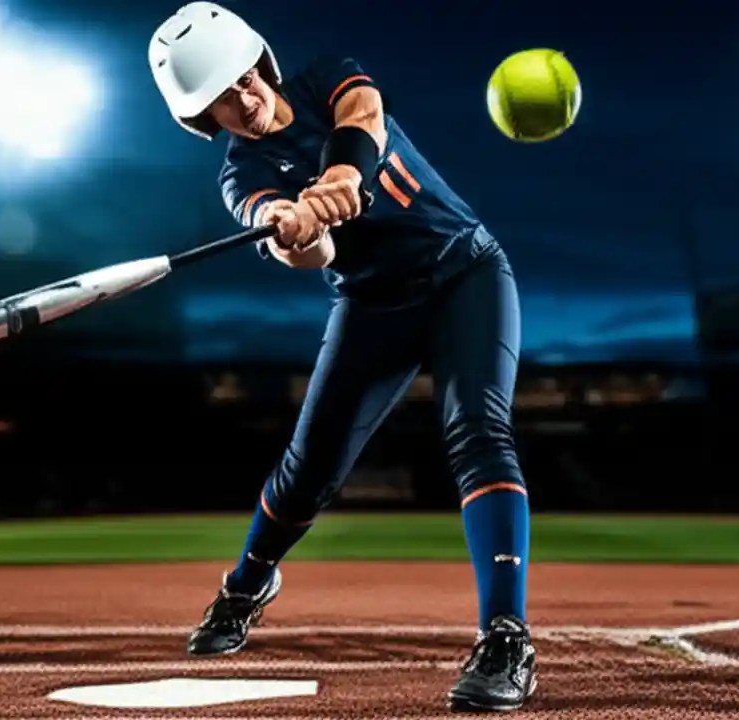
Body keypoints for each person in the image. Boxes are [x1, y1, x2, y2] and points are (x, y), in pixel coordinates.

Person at [148, 2, 536, 712]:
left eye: (244, 79)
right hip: (373, 304)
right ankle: (246, 585)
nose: (245, 100)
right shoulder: (243, 176)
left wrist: (341, 181)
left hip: (466, 272)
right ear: (203, 118)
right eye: (223, 100)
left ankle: (506, 638)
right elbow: (311, 253)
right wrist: (293, 227)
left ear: (260, 62)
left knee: (480, 432)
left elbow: (364, 116)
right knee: (308, 471)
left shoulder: (325, 78)